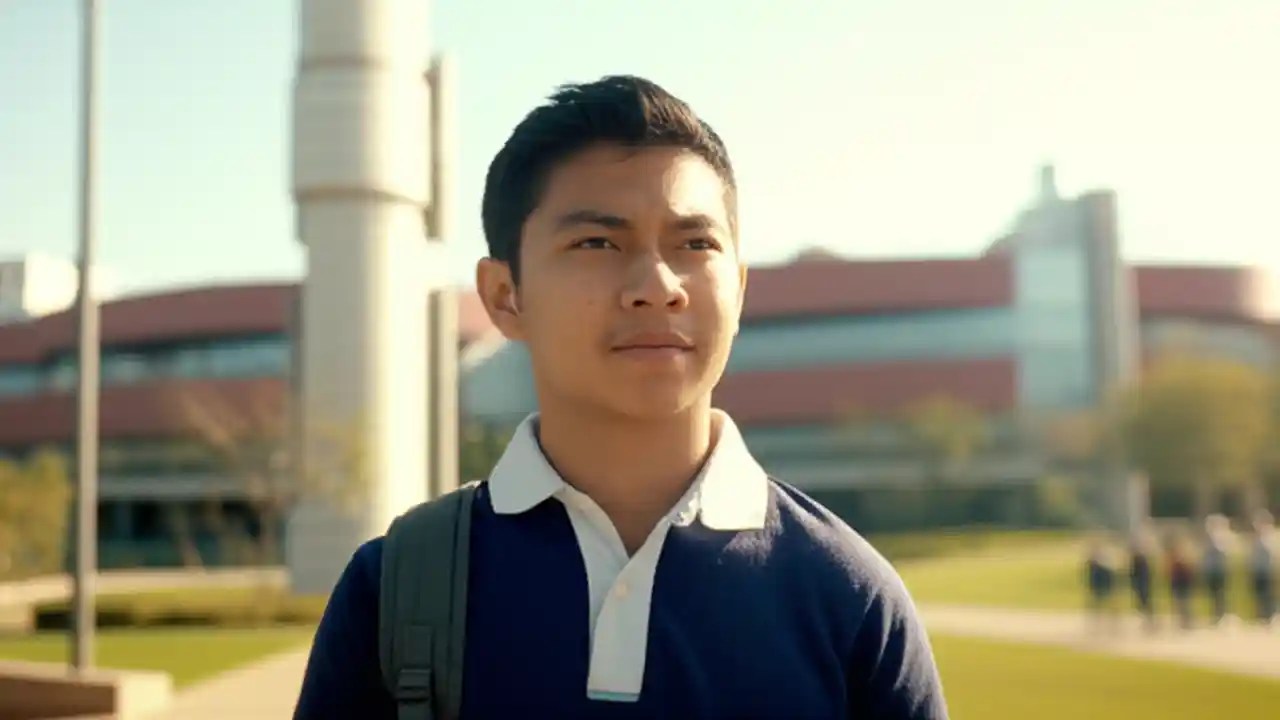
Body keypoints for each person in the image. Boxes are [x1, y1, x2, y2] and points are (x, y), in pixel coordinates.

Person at [292, 76, 949, 718]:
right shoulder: (395, 592)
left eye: (695, 243)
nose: (658, 285)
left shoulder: (851, 597)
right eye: (597, 242)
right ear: (503, 296)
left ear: (740, 289)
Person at [1200, 513, 1232, 626]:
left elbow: (1222, 552)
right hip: (1212, 570)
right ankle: (1216, 615)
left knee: (1220, 594)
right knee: (1213, 595)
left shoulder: (1218, 537)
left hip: (1218, 571)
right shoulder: (1208, 538)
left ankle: (1221, 615)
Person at [1249, 510, 1277, 627]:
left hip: (1267, 571)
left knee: (1268, 595)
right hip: (1258, 570)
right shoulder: (1256, 538)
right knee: (1259, 595)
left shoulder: (1269, 536)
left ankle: (1270, 617)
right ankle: (1262, 617)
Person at [1165, 530, 1196, 631]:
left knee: (1185, 601)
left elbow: (1189, 570)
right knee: (1179, 602)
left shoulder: (1184, 555)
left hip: (1183, 582)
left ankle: (1187, 621)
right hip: (1176, 582)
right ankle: (1182, 621)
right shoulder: (1172, 556)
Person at [1128, 528, 1157, 633]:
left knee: (1145, 603)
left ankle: (1150, 623)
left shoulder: (1141, 559)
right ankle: (1148, 622)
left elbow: (1143, 573)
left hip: (1143, 583)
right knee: (1143, 603)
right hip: (1140, 583)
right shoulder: (1137, 559)